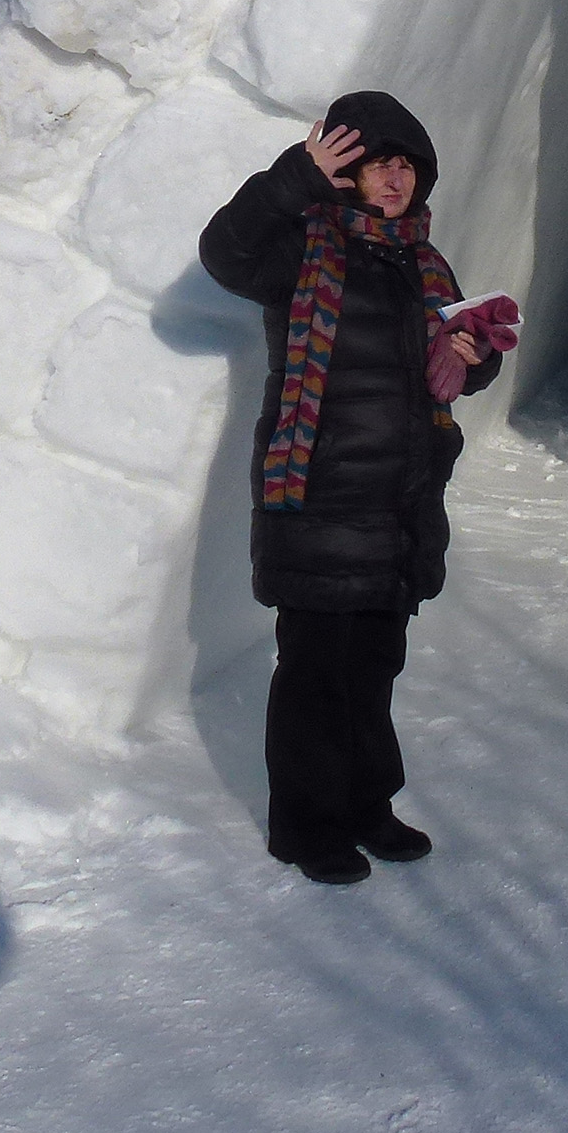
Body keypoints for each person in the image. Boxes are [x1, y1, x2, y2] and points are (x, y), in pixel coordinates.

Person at [198, 90, 498, 885]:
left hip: (399, 504)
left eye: (406, 165)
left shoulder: (423, 262)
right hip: (322, 498)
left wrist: (474, 356)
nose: (395, 179)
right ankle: (305, 827)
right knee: (314, 677)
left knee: (372, 669)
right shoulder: (302, 249)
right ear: (348, 174)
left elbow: (456, 356)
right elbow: (225, 253)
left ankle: (368, 807)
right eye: (377, 165)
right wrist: (293, 179)